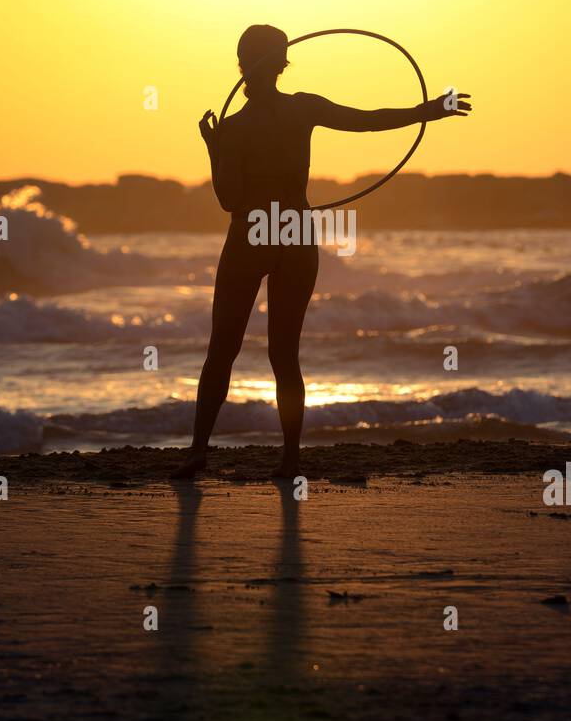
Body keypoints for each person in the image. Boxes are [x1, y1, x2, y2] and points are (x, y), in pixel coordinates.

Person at [172, 24, 471, 479]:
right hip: (293, 231)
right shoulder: (300, 108)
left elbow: (229, 200)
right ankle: (290, 459)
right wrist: (426, 111)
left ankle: (198, 452)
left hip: (252, 231)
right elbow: (369, 119)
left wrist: (215, 149)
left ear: (241, 64)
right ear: (283, 62)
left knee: (223, 350)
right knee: (283, 355)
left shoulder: (235, 127)